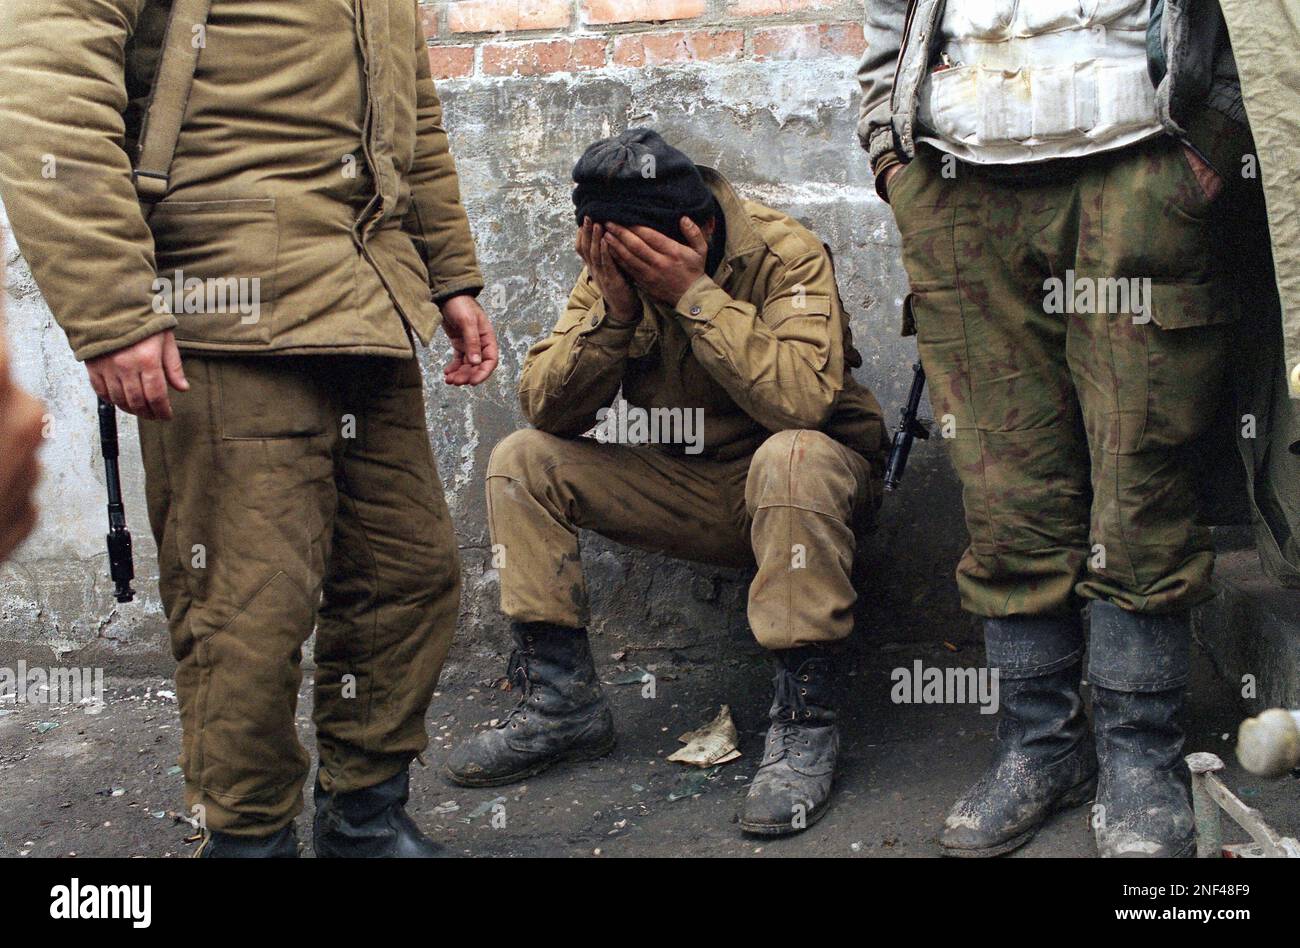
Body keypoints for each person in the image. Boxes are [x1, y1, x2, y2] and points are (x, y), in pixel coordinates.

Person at [0, 0, 497, 857]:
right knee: (249, 617)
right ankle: (248, 840)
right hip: (219, 312)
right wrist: (115, 311)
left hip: (366, 300)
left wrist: (449, 272)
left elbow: (411, 111)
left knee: (408, 580)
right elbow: (45, 83)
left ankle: (365, 821)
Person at [858, 0, 1251, 857]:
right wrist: (893, 154)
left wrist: (1210, 141)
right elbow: (890, 16)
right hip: (957, 179)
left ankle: (1140, 760)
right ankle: (1037, 746)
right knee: (1002, 485)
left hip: (1139, 164)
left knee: (1139, 473)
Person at [444, 129, 888, 836]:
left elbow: (801, 403)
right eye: (612, 250)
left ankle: (806, 722)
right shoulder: (612, 263)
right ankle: (562, 706)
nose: (633, 265)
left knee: (792, 455)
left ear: (699, 228)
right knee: (523, 459)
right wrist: (615, 312)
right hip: (694, 488)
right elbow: (547, 407)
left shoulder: (783, 253)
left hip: (806, 490)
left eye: (647, 252)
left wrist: (693, 293)